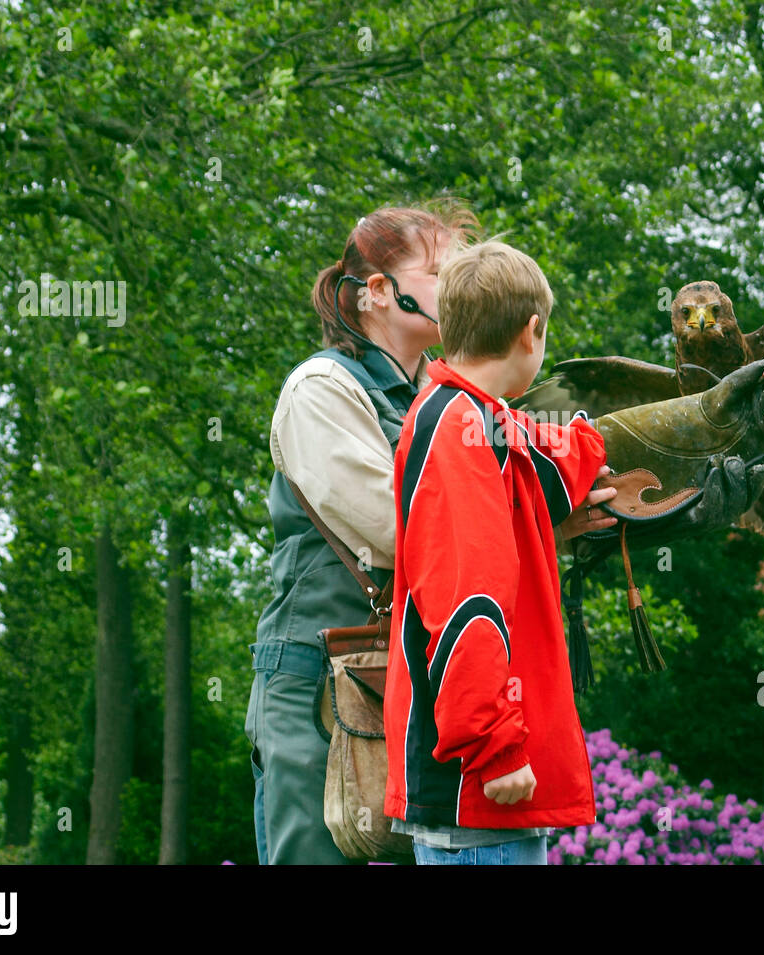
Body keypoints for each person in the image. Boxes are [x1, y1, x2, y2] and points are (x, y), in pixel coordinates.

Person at [245, 204, 622, 865]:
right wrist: (541, 522)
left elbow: (485, 520)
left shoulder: (446, 396)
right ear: (380, 292)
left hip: (409, 673)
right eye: (439, 269)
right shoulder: (321, 387)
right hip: (318, 674)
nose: (454, 283)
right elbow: (410, 533)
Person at [383, 239, 612, 865]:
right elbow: (466, 600)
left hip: (484, 799)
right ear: (531, 332)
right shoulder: (458, 429)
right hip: (481, 794)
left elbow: (545, 460)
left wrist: (592, 444)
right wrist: (496, 749)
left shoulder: (469, 413)